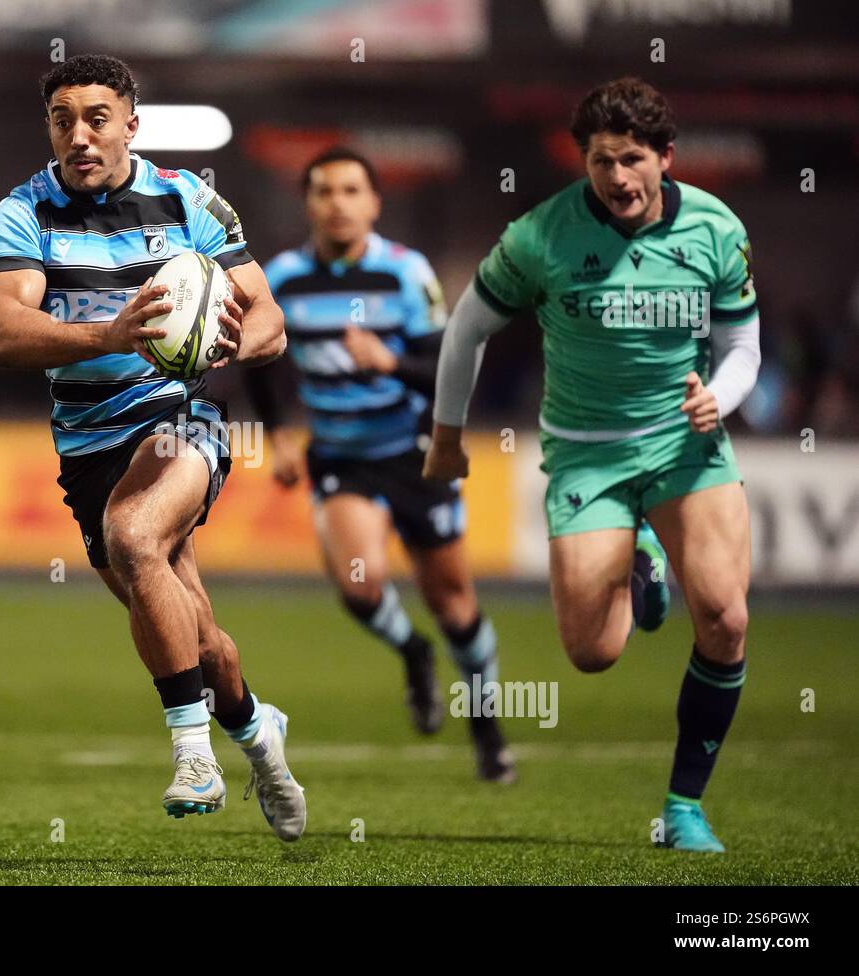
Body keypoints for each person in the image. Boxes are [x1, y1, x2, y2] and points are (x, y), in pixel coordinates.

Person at [425, 78, 760, 852]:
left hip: (687, 445)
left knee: (726, 617)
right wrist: (446, 436)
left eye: (632, 159)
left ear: (666, 158)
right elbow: (466, 329)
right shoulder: (541, 235)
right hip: (587, 457)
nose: (616, 178)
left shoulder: (716, 228)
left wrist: (723, 396)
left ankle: (683, 807)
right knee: (591, 652)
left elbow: (744, 344)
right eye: (601, 161)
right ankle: (643, 557)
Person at [0, 54, 306, 840]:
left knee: (134, 535)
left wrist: (219, 346)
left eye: (97, 117)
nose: (80, 136)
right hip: (89, 447)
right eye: (63, 120)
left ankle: (194, 753)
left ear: (131, 122)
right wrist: (108, 332)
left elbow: (269, 321)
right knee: (207, 649)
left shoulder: (188, 199)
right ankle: (261, 737)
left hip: (176, 417)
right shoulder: (24, 212)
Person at [245, 147, 515, 782]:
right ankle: (412, 651)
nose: (337, 203)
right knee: (361, 587)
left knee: (453, 603)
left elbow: (449, 370)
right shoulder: (280, 277)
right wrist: (279, 436)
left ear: (374, 203)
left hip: (414, 454)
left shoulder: (405, 273)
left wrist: (389, 363)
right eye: (324, 192)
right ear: (307, 203)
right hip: (342, 456)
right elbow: (261, 362)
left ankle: (486, 726)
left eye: (350, 190)